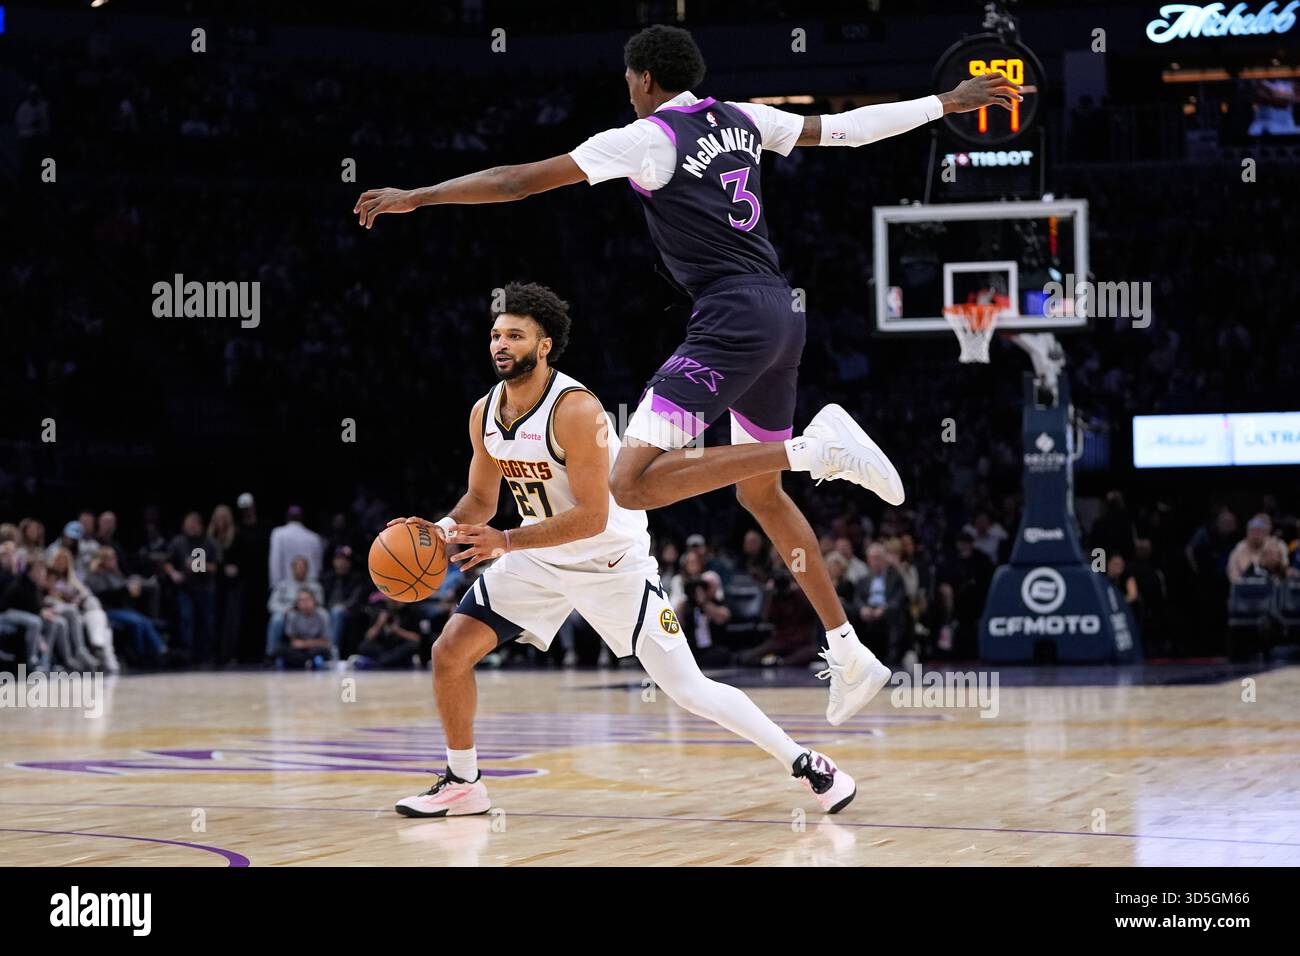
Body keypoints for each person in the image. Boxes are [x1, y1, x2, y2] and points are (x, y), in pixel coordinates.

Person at [353, 26, 1017, 724]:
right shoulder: (744, 118)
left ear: (643, 79)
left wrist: (418, 196)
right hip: (780, 313)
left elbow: (518, 182)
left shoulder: (648, 137)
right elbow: (848, 131)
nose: (627, 91)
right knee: (760, 493)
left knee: (629, 484)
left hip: (730, 318)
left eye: (627, 81)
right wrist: (946, 102)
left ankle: (812, 449)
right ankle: (848, 648)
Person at [388, 282, 855, 818]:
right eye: (496, 335)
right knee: (449, 652)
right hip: (537, 557)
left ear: (544, 345)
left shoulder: (575, 410)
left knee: (689, 689)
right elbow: (480, 500)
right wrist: (440, 529)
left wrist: (506, 541)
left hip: (610, 562)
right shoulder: (484, 413)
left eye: (515, 336)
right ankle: (464, 782)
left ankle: (807, 763)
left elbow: (593, 517)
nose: (500, 344)